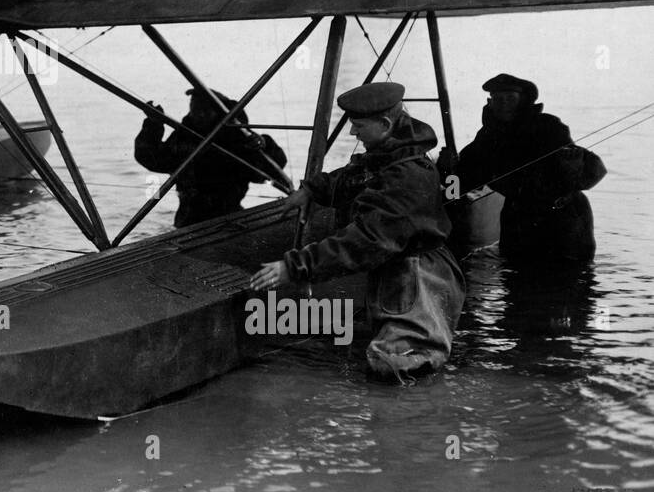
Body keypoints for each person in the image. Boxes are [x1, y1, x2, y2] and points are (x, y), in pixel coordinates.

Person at [249, 82, 465, 381]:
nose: (353, 133)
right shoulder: (390, 155)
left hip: (416, 277)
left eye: (358, 125)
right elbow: (354, 177)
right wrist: (312, 190)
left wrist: (296, 267)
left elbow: (365, 240)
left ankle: (407, 424)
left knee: (399, 365)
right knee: (393, 364)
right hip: (400, 269)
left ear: (385, 124)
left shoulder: (406, 175)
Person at [454, 73, 599, 262]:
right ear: (490, 102)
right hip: (518, 221)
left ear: (522, 100)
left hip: (563, 220)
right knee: (517, 284)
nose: (504, 103)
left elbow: (594, 170)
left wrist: (573, 165)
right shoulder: (487, 136)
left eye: (510, 98)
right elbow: (462, 180)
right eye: (498, 99)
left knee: (571, 281)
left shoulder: (549, 126)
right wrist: (447, 168)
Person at [135, 88, 288, 227]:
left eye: (204, 109)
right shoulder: (184, 136)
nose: (198, 113)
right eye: (194, 107)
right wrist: (153, 124)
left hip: (229, 218)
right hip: (188, 220)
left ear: (219, 112)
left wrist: (264, 144)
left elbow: (271, 171)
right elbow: (152, 158)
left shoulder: (238, 138)